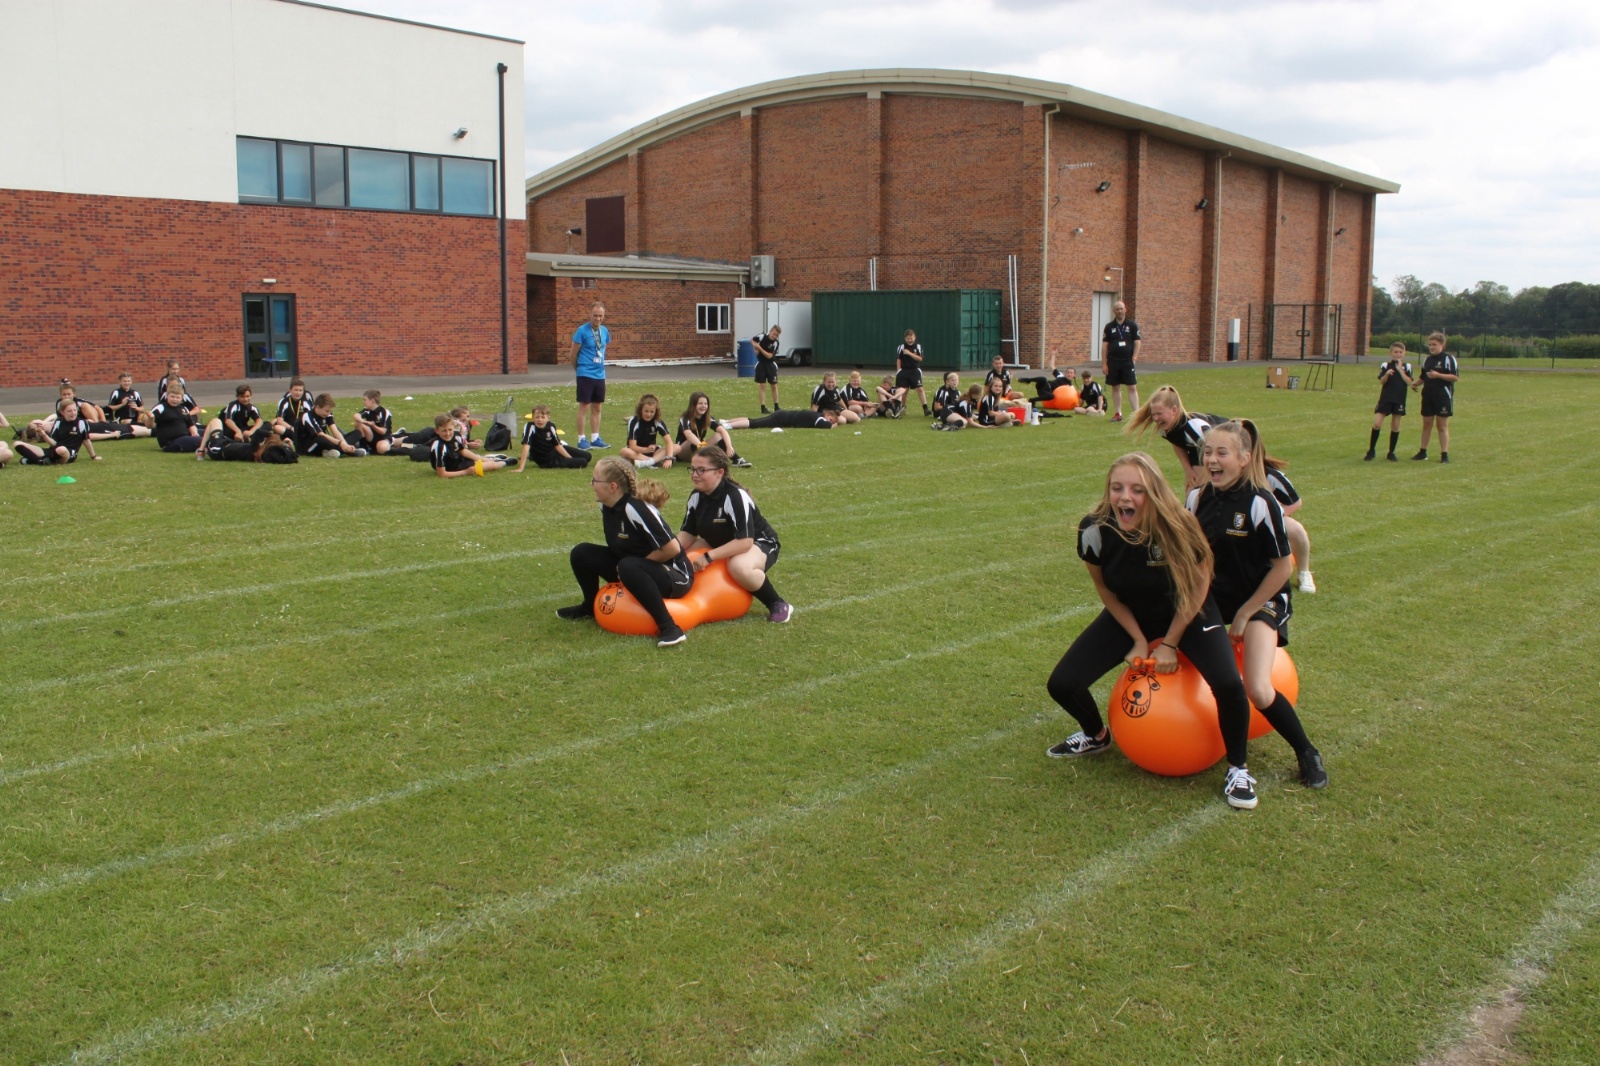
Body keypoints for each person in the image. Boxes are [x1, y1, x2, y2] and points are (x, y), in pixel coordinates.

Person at [1045, 452, 1260, 810]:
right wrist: (1139, 639)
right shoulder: (1094, 529)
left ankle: (1238, 768)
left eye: (1137, 490)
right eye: (1117, 488)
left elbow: (1199, 585)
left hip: (1188, 610)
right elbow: (1106, 591)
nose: (1124, 497)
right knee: (1063, 684)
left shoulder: (1179, 523)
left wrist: (1170, 644)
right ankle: (1096, 736)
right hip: (1133, 612)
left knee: (1227, 684)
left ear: (1155, 493)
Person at [1189, 419, 1327, 789]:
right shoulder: (1197, 497)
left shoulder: (1261, 503)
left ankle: (1307, 752)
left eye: (1221, 453)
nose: (1212, 460)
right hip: (1215, 600)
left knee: (1258, 688)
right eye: (1207, 453)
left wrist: (1248, 613)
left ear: (1244, 458)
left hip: (1262, 599)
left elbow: (1283, 566)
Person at [558, 455, 694, 648]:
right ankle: (590, 607)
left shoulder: (635, 508)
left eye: (595, 480)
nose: (591, 484)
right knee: (582, 553)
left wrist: (637, 567)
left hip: (675, 576)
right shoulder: (605, 505)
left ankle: (669, 627)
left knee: (628, 565)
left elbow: (672, 548)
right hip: (634, 567)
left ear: (612, 487)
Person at [677, 445, 792, 623]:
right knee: (678, 554)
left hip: (759, 542)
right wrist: (668, 552)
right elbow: (688, 534)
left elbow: (745, 541)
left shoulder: (735, 496)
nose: (694, 474)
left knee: (738, 566)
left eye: (701, 470)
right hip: (721, 542)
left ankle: (777, 603)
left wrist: (709, 557)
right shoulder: (696, 496)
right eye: (692, 469)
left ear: (719, 472)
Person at [1126, 384, 1225, 491]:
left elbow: (1215, 450)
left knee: (1205, 489)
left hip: (1223, 446)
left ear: (1174, 410)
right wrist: (1188, 471)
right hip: (1198, 449)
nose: (1155, 418)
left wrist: (1208, 476)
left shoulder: (1194, 427)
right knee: (1193, 487)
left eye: (1159, 413)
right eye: (1153, 414)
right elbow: (1177, 443)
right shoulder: (1164, 429)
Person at [1411, 331, 1459, 463]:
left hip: (1443, 396)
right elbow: (1423, 376)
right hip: (1427, 395)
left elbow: (1455, 377)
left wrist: (1438, 375)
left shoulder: (1449, 359)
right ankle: (1423, 452)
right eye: (1430, 345)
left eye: (1434, 344)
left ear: (1442, 345)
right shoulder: (1427, 359)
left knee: (1442, 426)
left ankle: (1444, 454)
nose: (1431, 347)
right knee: (1426, 424)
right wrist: (1416, 384)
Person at [570, 301, 610, 450]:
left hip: (600, 374)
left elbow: (602, 349)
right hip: (585, 373)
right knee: (584, 406)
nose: (598, 319)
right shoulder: (582, 331)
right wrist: (579, 370)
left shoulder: (605, 331)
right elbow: (573, 354)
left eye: (600, 316)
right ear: (589, 315)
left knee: (597, 407)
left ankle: (595, 437)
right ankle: (581, 439)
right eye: (595, 315)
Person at [1365, 342, 1414, 461]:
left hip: (1399, 399)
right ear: (1391, 353)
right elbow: (1382, 381)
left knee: (1395, 426)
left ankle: (1391, 452)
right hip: (1386, 399)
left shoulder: (1407, 366)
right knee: (1377, 423)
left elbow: (1409, 382)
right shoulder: (1385, 365)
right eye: (1396, 352)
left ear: (1404, 353)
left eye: (1400, 352)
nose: (1398, 354)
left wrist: (1399, 370)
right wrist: (1386, 374)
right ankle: (1371, 450)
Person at [675, 392, 750, 467]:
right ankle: (703, 459)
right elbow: (688, 434)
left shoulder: (707, 418)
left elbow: (723, 431)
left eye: (705, 403)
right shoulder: (686, 418)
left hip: (699, 448)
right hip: (682, 452)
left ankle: (736, 459)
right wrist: (701, 446)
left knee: (719, 435)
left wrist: (729, 446)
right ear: (693, 405)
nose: (703, 406)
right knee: (691, 440)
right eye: (700, 403)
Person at [15, 400, 100, 465]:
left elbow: (86, 440)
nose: (73, 413)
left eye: (74, 410)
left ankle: (37, 460)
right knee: (17, 444)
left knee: (61, 449)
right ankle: (40, 461)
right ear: (62, 412)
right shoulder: (58, 422)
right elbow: (53, 443)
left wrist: (93, 456)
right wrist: (44, 435)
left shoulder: (81, 423)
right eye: (69, 411)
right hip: (53, 451)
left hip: (68, 453)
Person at [426, 413, 509, 477]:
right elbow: (442, 474)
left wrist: (481, 459)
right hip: (453, 468)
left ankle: (490, 458)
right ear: (437, 431)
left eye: (450, 429)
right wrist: (466, 472)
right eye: (444, 431)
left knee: (485, 461)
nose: (448, 433)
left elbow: (463, 451)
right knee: (492, 466)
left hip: (459, 462)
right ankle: (505, 462)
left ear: (453, 428)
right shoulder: (439, 446)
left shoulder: (456, 435)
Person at [516, 404, 591, 470]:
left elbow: (557, 445)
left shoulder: (551, 426)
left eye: (542, 417)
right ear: (533, 418)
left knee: (587, 456)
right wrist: (521, 468)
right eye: (537, 417)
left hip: (554, 451)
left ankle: (568, 459)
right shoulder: (530, 427)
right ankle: (533, 457)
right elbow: (526, 446)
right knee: (583, 462)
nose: (540, 420)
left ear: (548, 418)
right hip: (547, 460)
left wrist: (569, 458)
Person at [1102, 300, 1141, 421]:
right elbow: (1104, 346)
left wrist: (1134, 357)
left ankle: (1137, 414)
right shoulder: (1109, 327)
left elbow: (1137, 342)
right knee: (1115, 387)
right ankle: (1118, 413)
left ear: (1125, 309)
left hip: (1127, 361)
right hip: (1113, 361)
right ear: (1114, 311)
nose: (1119, 311)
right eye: (1117, 309)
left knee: (1132, 387)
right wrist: (1104, 363)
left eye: (1121, 308)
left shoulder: (1132, 325)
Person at [296, 394, 364, 458]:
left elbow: (335, 431)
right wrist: (340, 443)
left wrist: (345, 444)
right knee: (321, 438)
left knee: (357, 433)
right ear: (317, 407)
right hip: (309, 447)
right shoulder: (307, 416)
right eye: (326, 411)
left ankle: (337, 451)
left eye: (329, 411)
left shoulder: (327, 414)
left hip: (325, 443)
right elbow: (320, 434)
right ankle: (350, 452)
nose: (328, 413)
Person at [622, 394, 677, 469]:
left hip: (653, 453)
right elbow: (632, 446)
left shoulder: (658, 421)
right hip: (637, 452)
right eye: (646, 411)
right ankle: (654, 461)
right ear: (640, 410)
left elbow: (669, 442)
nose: (649, 414)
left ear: (656, 412)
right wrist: (646, 449)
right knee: (624, 451)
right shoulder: (634, 421)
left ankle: (648, 462)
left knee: (677, 447)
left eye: (652, 412)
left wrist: (669, 458)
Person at [148, 385, 204, 453]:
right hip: (172, 442)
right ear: (167, 396)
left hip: (185, 435)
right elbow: (149, 426)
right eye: (172, 396)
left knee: (208, 433)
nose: (175, 399)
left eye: (178, 397)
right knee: (202, 440)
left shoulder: (184, 409)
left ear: (181, 398)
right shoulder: (161, 407)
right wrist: (150, 418)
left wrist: (194, 432)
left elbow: (191, 424)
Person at [896, 329, 930, 415]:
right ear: (905, 338)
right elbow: (899, 359)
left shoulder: (918, 346)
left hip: (914, 370)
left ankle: (925, 408)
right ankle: (903, 408)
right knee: (904, 390)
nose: (910, 340)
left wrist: (909, 353)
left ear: (914, 337)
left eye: (911, 338)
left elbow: (920, 358)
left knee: (920, 389)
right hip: (904, 370)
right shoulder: (901, 347)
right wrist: (899, 370)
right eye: (908, 338)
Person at [351, 389, 395, 454]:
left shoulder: (383, 412)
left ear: (372, 401)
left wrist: (373, 425)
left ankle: (397, 446)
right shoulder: (367, 410)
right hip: (372, 437)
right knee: (358, 423)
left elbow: (383, 432)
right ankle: (364, 447)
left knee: (382, 449)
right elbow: (356, 415)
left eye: (365, 400)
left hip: (383, 438)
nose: (363, 402)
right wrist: (363, 421)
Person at [723, 407, 841, 430]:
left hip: (782, 415)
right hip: (782, 418)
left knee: (754, 420)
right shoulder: (819, 417)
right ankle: (729, 425)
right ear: (827, 415)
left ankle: (727, 422)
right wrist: (835, 424)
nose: (829, 421)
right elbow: (826, 426)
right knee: (754, 424)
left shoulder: (816, 416)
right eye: (830, 419)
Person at [752, 325, 782, 413]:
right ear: (771, 331)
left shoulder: (776, 343)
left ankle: (776, 407)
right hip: (761, 364)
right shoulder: (762, 336)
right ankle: (763, 407)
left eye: (777, 335)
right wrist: (755, 348)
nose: (775, 337)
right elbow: (753, 340)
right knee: (762, 385)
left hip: (770, 364)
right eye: (774, 334)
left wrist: (760, 349)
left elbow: (769, 356)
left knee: (774, 385)